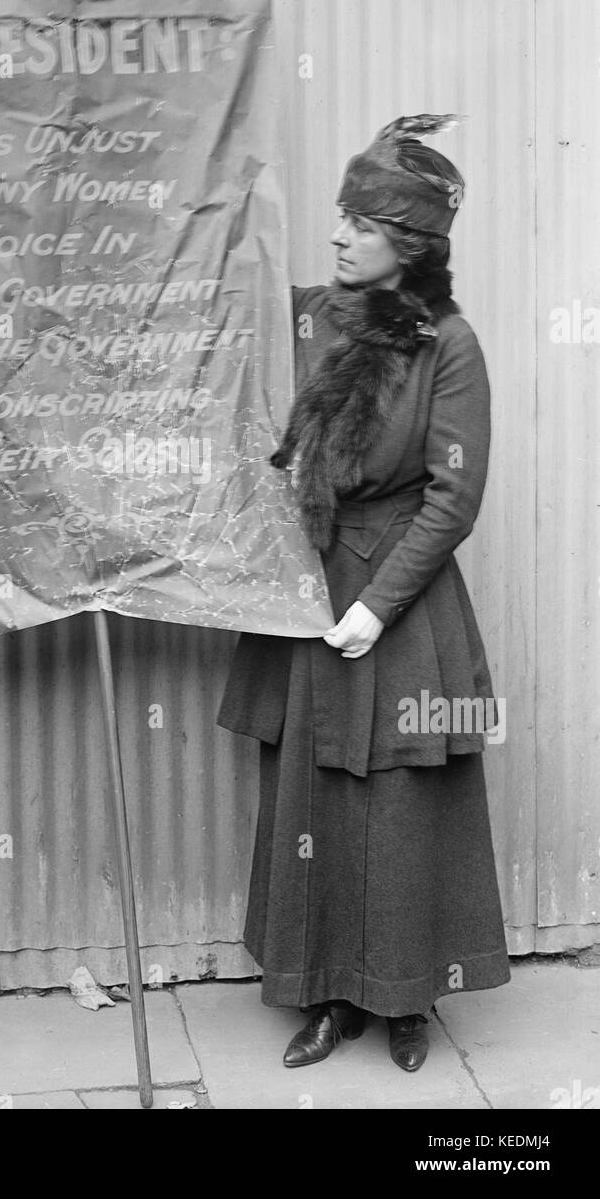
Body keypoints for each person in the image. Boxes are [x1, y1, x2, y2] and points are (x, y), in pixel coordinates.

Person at [216, 114, 511, 1072]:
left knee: (399, 805)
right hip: (306, 585)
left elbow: (453, 496)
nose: (338, 235)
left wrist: (376, 605)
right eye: (339, 217)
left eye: (361, 223)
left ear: (409, 246)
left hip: (399, 601)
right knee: (315, 806)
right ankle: (331, 998)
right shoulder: (300, 316)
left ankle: (411, 994)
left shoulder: (447, 347)